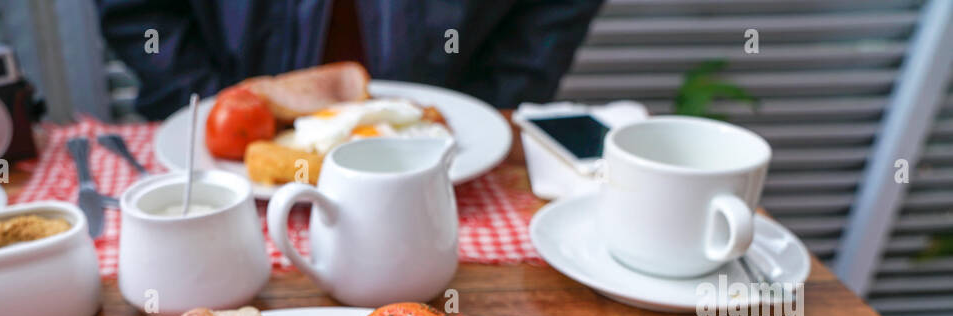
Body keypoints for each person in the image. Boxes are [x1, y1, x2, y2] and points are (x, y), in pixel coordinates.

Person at [98, 0, 605, 119]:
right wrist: (219, 113)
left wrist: (480, 109)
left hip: (455, 176)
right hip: (229, 169)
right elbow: (138, 11)